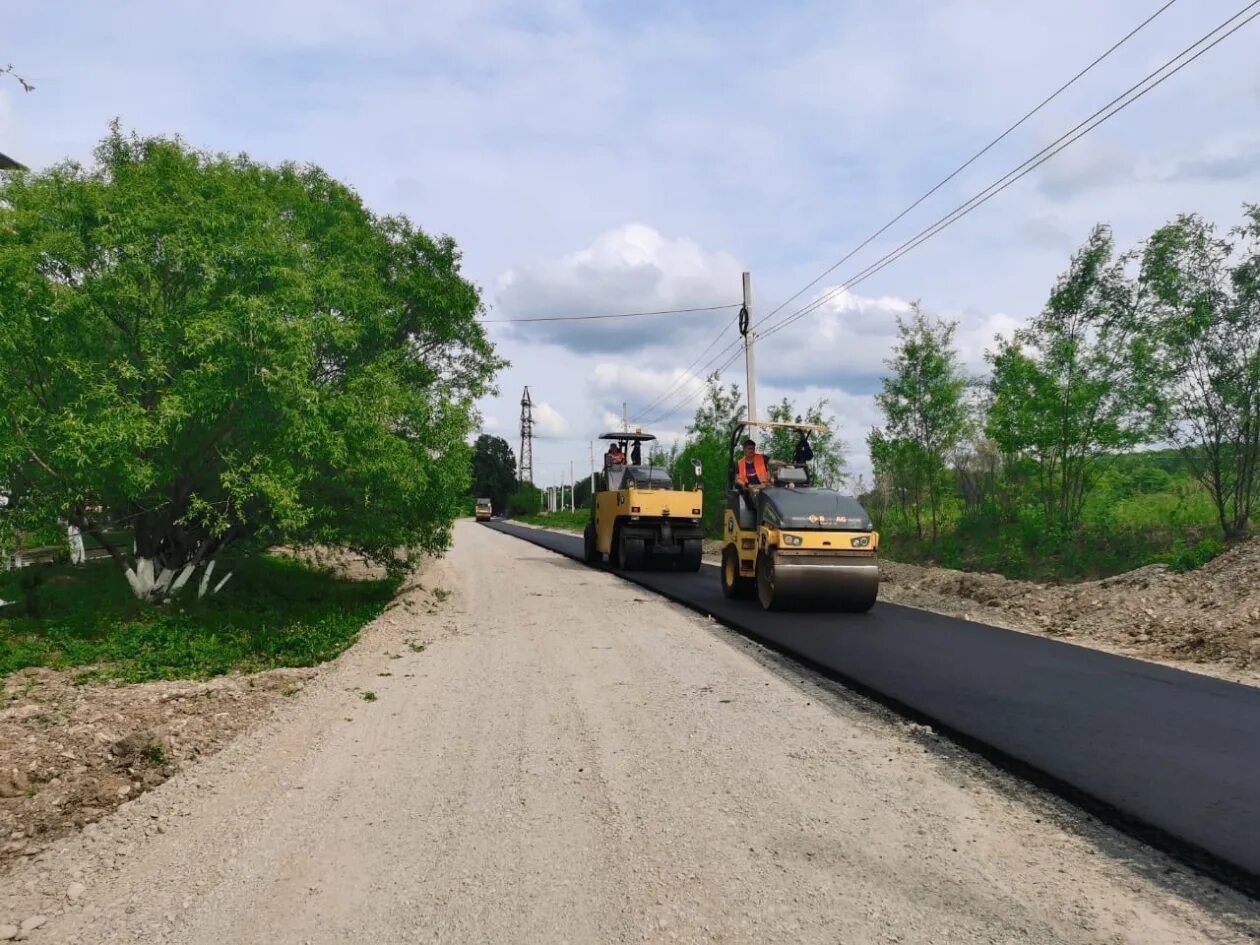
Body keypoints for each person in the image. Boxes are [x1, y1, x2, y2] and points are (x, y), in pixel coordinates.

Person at [735, 439, 784, 513]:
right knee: (758, 501)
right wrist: (748, 485)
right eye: (749, 449)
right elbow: (737, 479)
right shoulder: (739, 463)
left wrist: (788, 465)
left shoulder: (761, 458)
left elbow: (774, 462)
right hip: (750, 490)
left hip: (765, 487)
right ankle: (758, 517)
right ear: (744, 449)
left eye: (753, 448)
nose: (751, 451)